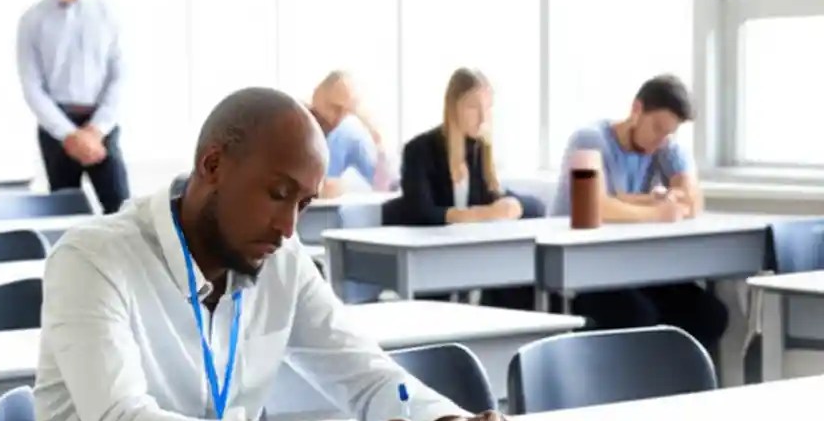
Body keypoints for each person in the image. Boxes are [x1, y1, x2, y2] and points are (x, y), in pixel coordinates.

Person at [30, 87, 517, 421]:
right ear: (213, 165)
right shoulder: (92, 258)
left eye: (303, 204)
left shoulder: (281, 257)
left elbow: (364, 374)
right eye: (278, 194)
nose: (288, 227)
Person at [551, 74, 728, 356]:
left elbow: (691, 202)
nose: (660, 140)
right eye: (657, 128)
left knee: (709, 314)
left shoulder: (665, 146)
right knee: (638, 315)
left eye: (669, 133)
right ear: (636, 110)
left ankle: (677, 380)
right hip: (585, 271)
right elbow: (595, 206)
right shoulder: (589, 139)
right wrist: (656, 209)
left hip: (634, 269)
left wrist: (628, 201)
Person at [386, 68, 542, 309]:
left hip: (473, 261)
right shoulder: (419, 150)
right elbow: (421, 212)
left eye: (488, 108)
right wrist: (483, 214)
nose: (482, 117)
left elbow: (529, 205)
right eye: (473, 107)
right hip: (430, 260)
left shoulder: (479, 151)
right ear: (453, 107)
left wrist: (515, 206)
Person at [18, 0, 130, 214]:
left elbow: (120, 75)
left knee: (122, 209)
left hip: (101, 124)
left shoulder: (107, 14)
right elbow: (32, 86)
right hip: (57, 128)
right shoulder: (34, 20)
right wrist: (68, 134)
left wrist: (96, 130)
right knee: (63, 212)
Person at [307, 70, 390, 198]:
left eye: (346, 111)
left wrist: (378, 141)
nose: (338, 117)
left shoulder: (347, 137)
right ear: (317, 96)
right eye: (335, 108)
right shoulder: (295, 126)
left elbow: (382, 188)